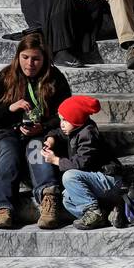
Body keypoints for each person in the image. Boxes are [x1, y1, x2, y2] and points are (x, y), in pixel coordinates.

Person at [0, 33, 71, 229]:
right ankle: (3, 207)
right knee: (9, 152)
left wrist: (43, 127)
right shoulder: (5, 76)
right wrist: (9, 108)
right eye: (25, 57)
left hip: (38, 133)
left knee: (38, 150)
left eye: (36, 58)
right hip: (6, 133)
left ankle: (48, 199)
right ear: (18, 57)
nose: (30, 63)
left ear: (44, 58)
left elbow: (65, 114)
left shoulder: (55, 78)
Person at [41, 95, 125, 230]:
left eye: (65, 120)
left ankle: (94, 212)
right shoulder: (75, 128)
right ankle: (106, 214)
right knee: (67, 198)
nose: (61, 124)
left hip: (108, 179)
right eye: (60, 119)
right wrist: (51, 139)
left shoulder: (88, 134)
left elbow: (81, 163)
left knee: (69, 176)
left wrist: (55, 160)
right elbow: (57, 132)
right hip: (95, 179)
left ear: (76, 119)